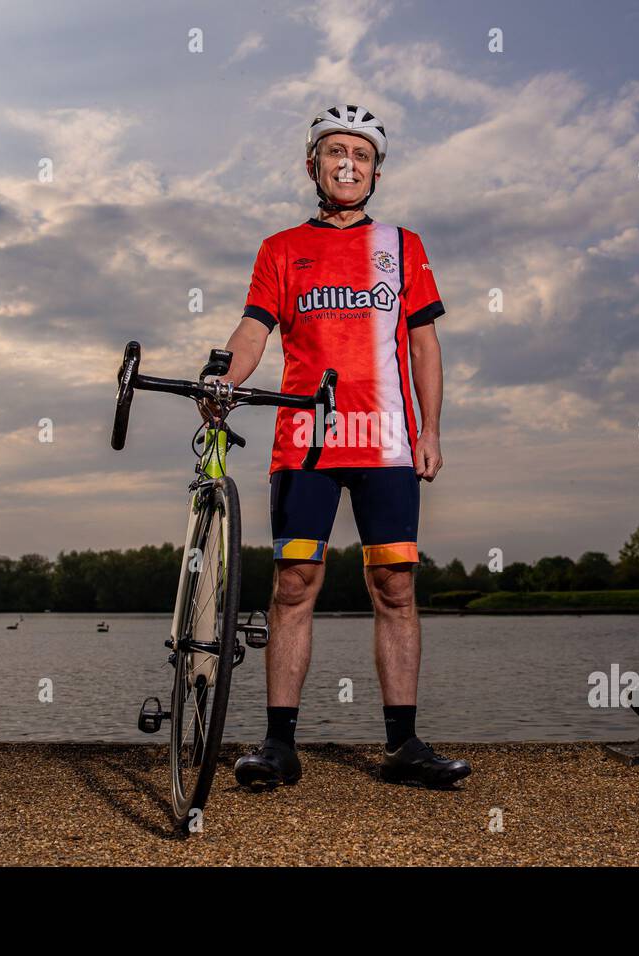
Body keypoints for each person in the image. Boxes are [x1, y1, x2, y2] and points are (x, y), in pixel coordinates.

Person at [209, 104, 470, 790]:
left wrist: (431, 430)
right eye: (334, 152)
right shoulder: (279, 248)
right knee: (293, 584)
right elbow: (253, 331)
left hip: (386, 440)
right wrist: (222, 379)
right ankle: (277, 745)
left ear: (376, 171)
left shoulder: (403, 245)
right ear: (313, 167)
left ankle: (404, 744)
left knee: (395, 585)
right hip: (307, 443)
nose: (347, 163)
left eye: (360, 153)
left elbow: (423, 342)